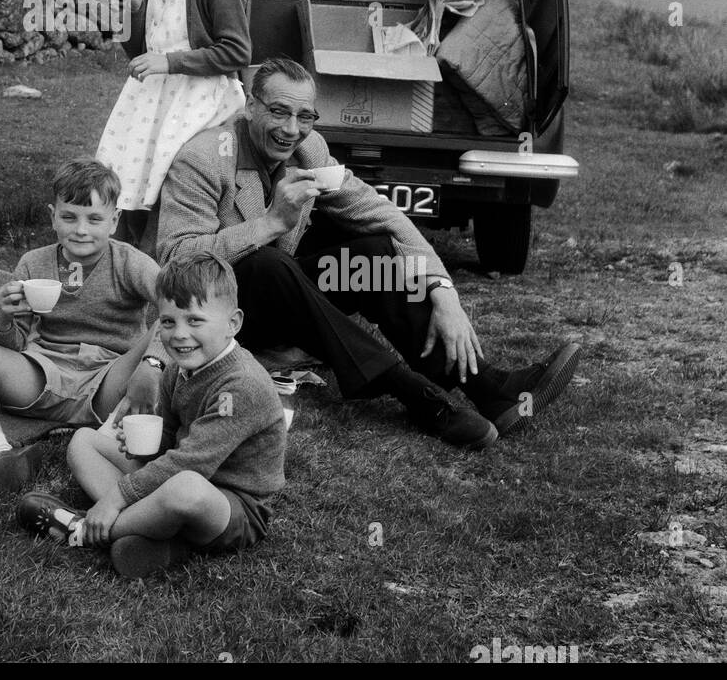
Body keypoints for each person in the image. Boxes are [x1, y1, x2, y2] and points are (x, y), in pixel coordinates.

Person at [154, 56, 581, 449]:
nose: (291, 129)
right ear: (251, 106)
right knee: (267, 263)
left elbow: (382, 216)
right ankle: (419, 397)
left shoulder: (310, 149)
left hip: (288, 306)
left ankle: (488, 388)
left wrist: (443, 289)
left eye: (305, 116)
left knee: (375, 253)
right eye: (279, 111)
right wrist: (268, 224)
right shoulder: (204, 157)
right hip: (222, 319)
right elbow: (176, 261)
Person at [17, 252, 286, 579]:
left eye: (195, 320)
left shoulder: (242, 385)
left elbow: (190, 462)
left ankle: (83, 529)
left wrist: (115, 499)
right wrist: (142, 445)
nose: (179, 334)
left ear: (233, 324)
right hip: (180, 477)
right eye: (169, 322)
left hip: (232, 507)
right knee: (84, 440)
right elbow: (170, 442)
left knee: (186, 487)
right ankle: (154, 536)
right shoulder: (178, 369)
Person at [0, 160, 164, 493]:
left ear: (115, 220)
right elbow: (11, 345)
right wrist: (4, 316)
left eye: (95, 219)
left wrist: (152, 364)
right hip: (44, 373)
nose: (81, 230)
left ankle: (110, 434)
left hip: (109, 382)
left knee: (167, 324)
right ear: (52, 216)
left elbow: (178, 304)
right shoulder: (33, 262)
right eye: (69, 217)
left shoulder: (130, 262)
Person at [96, 0, 250, 252]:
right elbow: (137, 51)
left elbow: (237, 51)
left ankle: (164, 263)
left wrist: (170, 61)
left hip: (196, 98)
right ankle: (122, 265)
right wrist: (130, 6)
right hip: (150, 101)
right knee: (125, 183)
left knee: (170, 184)